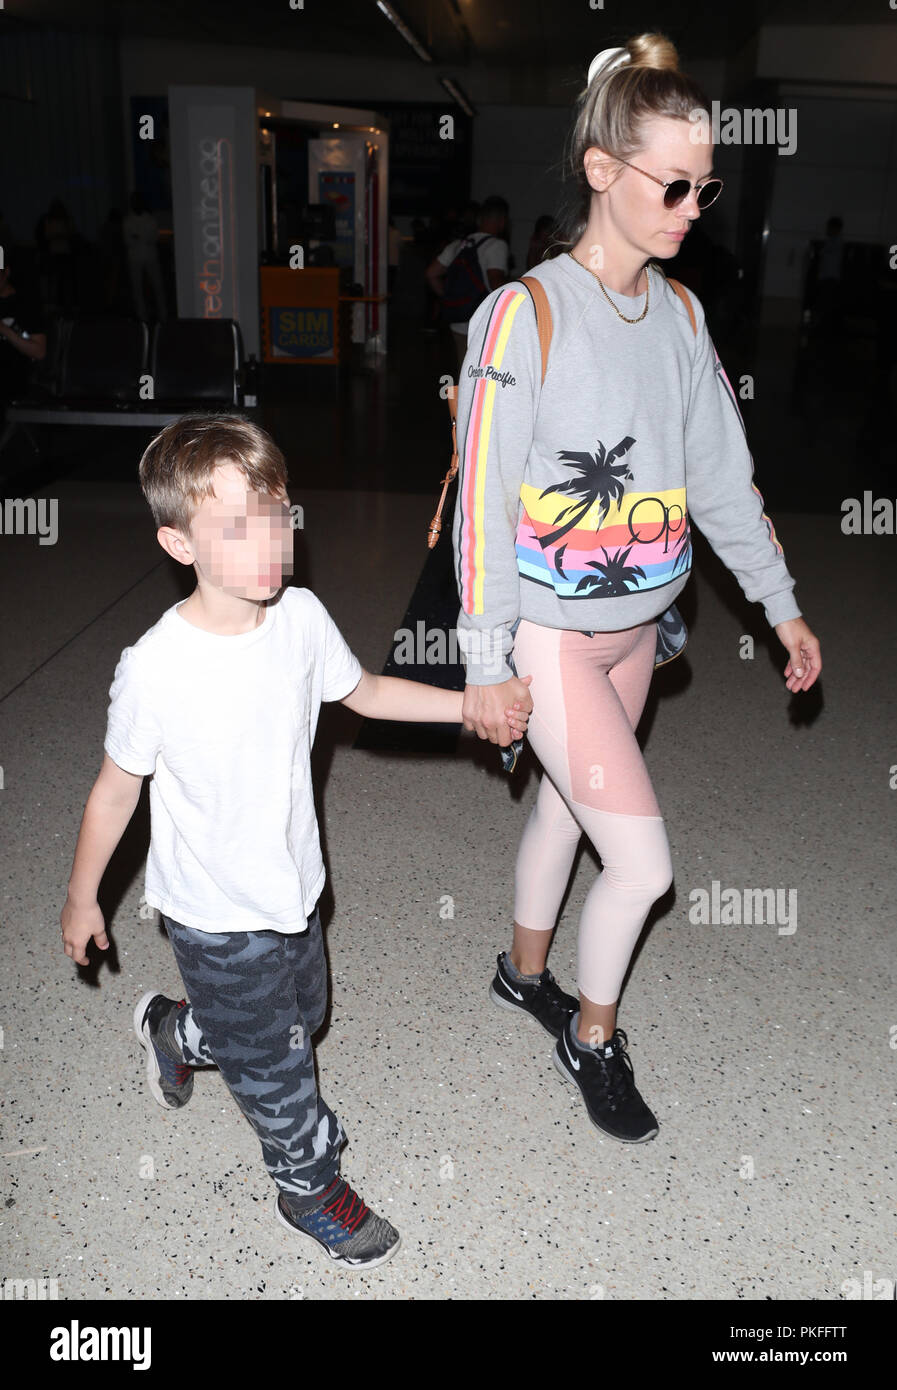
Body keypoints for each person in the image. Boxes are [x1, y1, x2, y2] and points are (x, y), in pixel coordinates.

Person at [451, 33, 821, 1146]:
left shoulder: (684, 316)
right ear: (603, 170)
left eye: (705, 187)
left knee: (567, 808)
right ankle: (593, 1036)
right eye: (673, 183)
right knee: (645, 862)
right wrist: (482, 662)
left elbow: (720, 478)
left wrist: (782, 603)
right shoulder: (522, 315)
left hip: (641, 628)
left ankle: (524, 977)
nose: (692, 205)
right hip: (553, 640)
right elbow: (481, 501)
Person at [59, 413, 531, 1271]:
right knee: (280, 1072)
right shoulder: (157, 667)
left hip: (294, 889)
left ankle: (179, 1033)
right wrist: (84, 892)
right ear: (178, 544)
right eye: (238, 525)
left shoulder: (301, 620)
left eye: (277, 511)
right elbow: (114, 788)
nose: (271, 536)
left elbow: (369, 694)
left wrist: (469, 704)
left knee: (301, 1018)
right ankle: (305, 1185)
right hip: (211, 916)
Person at [426, 196, 510, 369]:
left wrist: (450, 297)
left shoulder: (460, 244)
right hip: (482, 324)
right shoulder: (497, 246)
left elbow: (431, 273)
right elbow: (496, 283)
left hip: (458, 320)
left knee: (464, 371)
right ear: (501, 222)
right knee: (483, 375)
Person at [0, 256, 47, 422]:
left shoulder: (25, 305)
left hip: (15, 374)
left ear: (6, 272)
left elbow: (39, 352)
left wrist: (5, 330)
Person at [122, 191, 168, 321]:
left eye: (138, 202)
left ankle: (163, 313)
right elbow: (127, 240)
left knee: (157, 285)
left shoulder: (150, 219)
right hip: (135, 258)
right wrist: (142, 238)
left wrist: (138, 237)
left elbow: (154, 237)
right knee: (137, 288)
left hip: (150, 256)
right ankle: (142, 315)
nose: (136, 204)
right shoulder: (128, 221)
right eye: (134, 202)